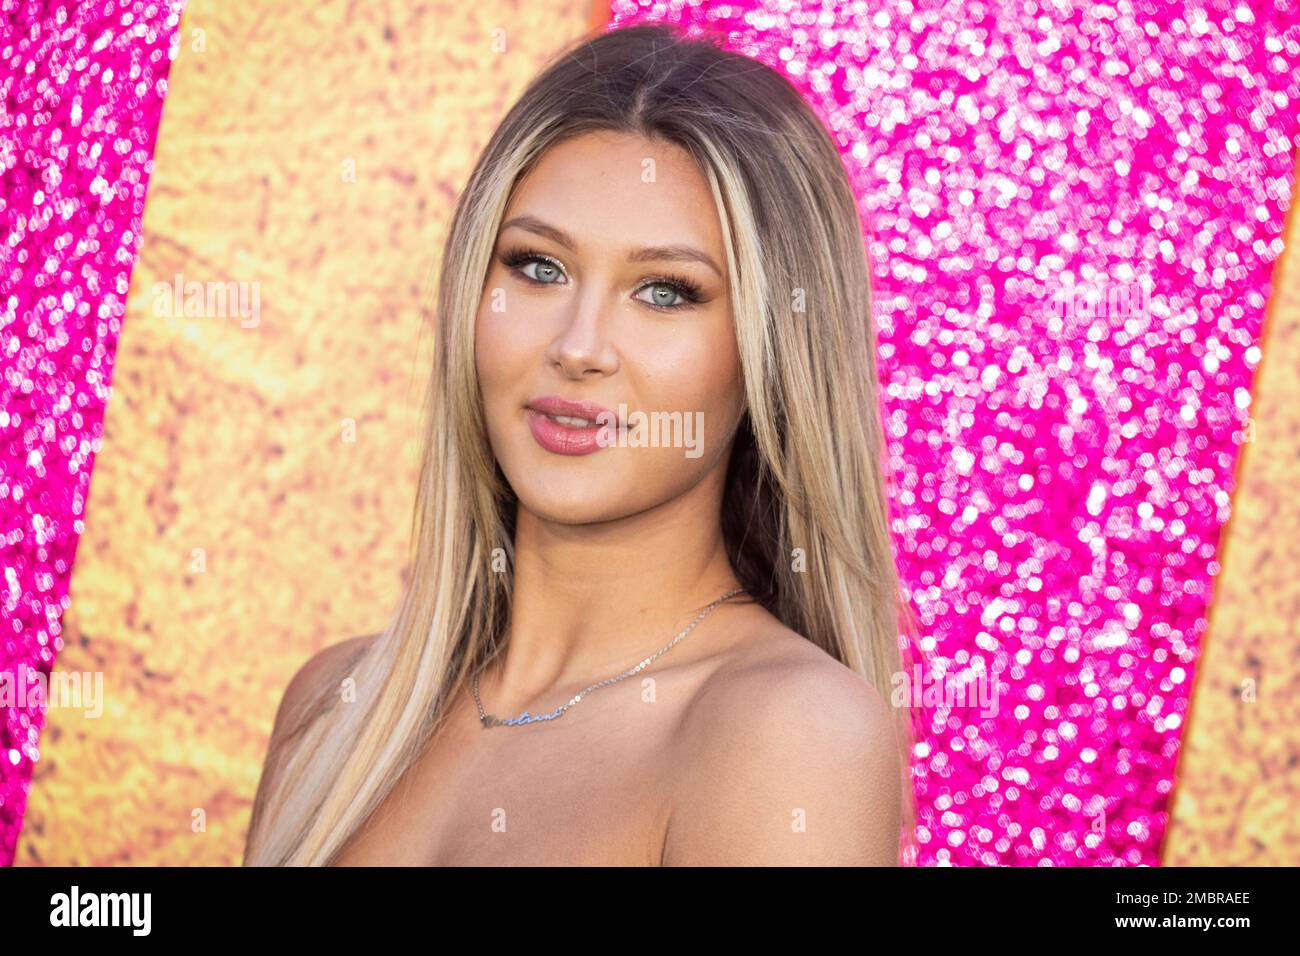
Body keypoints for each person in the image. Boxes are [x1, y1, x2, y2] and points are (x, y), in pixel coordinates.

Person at [244, 20, 918, 867]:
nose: (579, 346)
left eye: (665, 291)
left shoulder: (790, 732)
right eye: (538, 267)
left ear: (770, 352)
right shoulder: (332, 707)